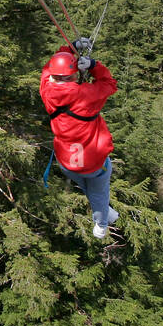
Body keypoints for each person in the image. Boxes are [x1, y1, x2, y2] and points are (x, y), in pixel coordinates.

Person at [40, 38, 119, 238]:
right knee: (99, 191)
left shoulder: (47, 92)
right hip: (94, 163)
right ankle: (101, 224)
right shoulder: (88, 94)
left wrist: (70, 48)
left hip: (67, 162)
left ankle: (102, 209)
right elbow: (110, 84)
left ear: (53, 78)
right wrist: (93, 66)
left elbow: (47, 70)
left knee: (92, 190)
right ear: (75, 75)